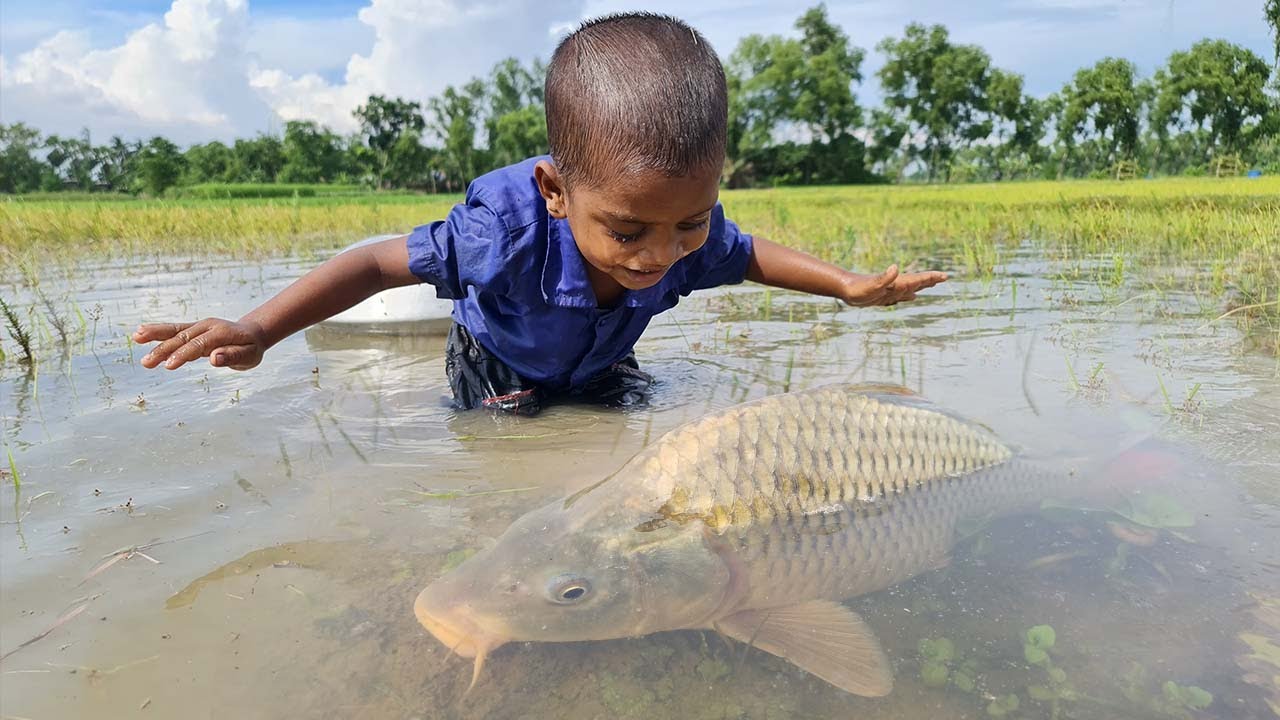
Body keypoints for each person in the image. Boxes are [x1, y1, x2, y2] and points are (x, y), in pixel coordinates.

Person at [133, 12, 947, 416]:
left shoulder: (686, 230)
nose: (663, 254)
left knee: (618, 435)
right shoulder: (505, 233)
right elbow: (379, 263)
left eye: (690, 222)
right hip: (497, 366)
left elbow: (748, 254)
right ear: (557, 192)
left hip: (596, 359)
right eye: (628, 231)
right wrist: (260, 331)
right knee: (502, 452)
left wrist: (846, 287)